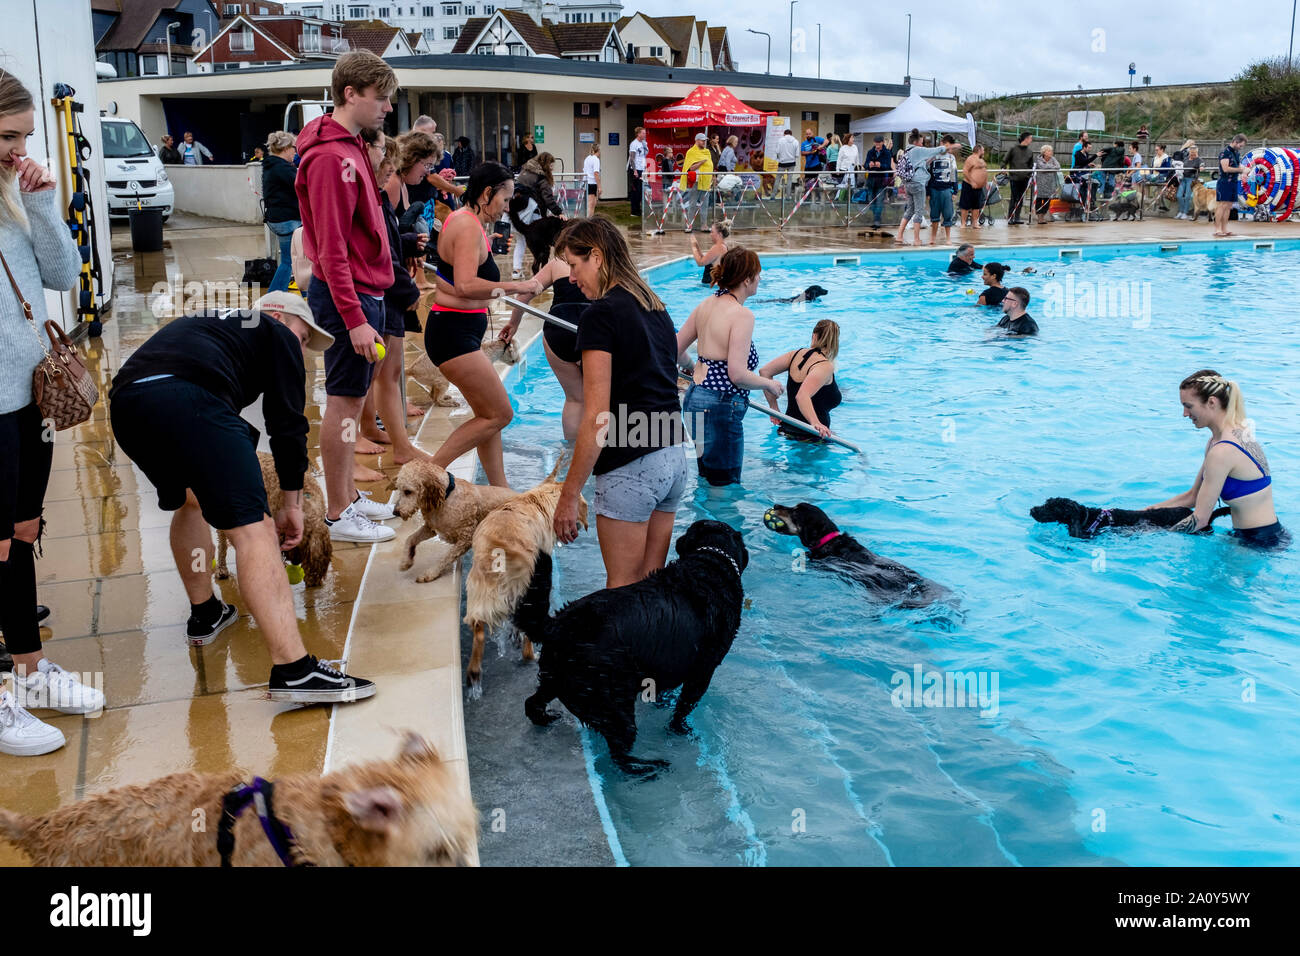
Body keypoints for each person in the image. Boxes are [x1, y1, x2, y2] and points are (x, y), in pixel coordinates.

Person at [109, 293, 376, 704]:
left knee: (190, 501)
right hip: (190, 403)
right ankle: (294, 670)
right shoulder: (277, 333)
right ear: (279, 315)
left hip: (129, 404)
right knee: (255, 531)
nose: (301, 349)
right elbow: (288, 425)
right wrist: (290, 504)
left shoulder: (209, 319)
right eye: (304, 337)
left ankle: (206, 613)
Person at [0, 69, 102, 756]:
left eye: (25, 137)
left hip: (28, 396)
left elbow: (64, 277)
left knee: (23, 530)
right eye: (8, 137)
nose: (19, 149)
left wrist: (39, 202)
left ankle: (30, 673)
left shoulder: (15, 192)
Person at [294, 50, 400, 543]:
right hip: (348, 297)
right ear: (350, 94)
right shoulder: (330, 157)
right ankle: (338, 513)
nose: (386, 109)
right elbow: (332, 249)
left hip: (364, 292)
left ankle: (348, 498)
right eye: (379, 99)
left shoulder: (352, 145)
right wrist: (354, 318)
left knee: (354, 402)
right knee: (342, 403)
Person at [552, 217, 688, 588]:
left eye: (575, 266)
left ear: (596, 257)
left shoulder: (600, 315)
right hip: (673, 457)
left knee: (622, 592)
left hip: (632, 465)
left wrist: (569, 495)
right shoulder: (657, 307)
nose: (572, 279)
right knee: (650, 586)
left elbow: (598, 416)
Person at [428, 162, 540, 486]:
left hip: (457, 329)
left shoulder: (468, 223)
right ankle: (429, 474)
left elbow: (447, 281)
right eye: (505, 200)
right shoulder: (465, 225)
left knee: (488, 415)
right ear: (488, 193)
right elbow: (465, 285)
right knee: (501, 413)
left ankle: (499, 490)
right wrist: (518, 286)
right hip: (452, 334)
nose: (507, 209)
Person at [677, 246, 782, 487]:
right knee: (725, 484)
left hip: (694, 397)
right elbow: (738, 375)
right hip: (721, 405)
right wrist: (770, 384)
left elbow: (673, 349)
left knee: (706, 477)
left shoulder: (705, 304)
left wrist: (694, 368)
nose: (760, 278)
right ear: (746, 279)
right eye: (758, 273)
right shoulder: (742, 315)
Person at [1148, 370, 1287, 548]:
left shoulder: (1223, 451)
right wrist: (1149, 512)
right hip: (1260, 534)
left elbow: (1200, 519)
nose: (1184, 413)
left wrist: (1150, 533)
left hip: (1258, 543)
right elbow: (1193, 497)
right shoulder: (1228, 437)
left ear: (1211, 402)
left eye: (1188, 406)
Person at [368, 129, 430, 466]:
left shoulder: (377, 198)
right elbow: (381, 255)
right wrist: (408, 292)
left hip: (382, 294)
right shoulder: (378, 197)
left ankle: (377, 430)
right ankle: (394, 444)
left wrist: (406, 243)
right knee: (380, 375)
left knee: (379, 375)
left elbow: (388, 243)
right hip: (382, 296)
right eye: (389, 171)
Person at [500, 240, 590, 440]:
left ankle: (571, 452)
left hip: (557, 328)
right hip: (591, 328)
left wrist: (513, 323)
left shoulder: (557, 262)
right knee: (601, 397)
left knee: (575, 399)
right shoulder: (599, 260)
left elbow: (527, 292)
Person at [759, 319, 842, 442]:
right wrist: (815, 423)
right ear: (835, 342)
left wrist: (774, 408)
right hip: (812, 437)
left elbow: (764, 372)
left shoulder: (795, 354)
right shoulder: (825, 366)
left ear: (814, 336)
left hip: (787, 429)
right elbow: (802, 395)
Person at [896, 129, 961, 245]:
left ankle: (899, 235)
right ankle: (916, 239)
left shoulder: (907, 150)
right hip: (918, 184)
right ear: (916, 142)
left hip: (908, 184)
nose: (922, 144)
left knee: (910, 210)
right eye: (921, 142)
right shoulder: (918, 150)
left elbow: (924, 164)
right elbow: (936, 150)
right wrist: (952, 146)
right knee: (919, 211)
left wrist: (954, 190)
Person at [512, 151, 565, 279]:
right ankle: (543, 274)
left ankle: (516, 270)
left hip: (517, 210)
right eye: (551, 165)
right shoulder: (541, 177)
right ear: (546, 164)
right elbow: (548, 199)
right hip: (532, 212)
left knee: (521, 241)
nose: (552, 168)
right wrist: (559, 212)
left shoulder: (525, 171)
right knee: (543, 246)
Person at [262, 130, 300, 293]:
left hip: (278, 219)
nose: (295, 152)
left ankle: (306, 295)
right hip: (287, 220)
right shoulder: (282, 168)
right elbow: (303, 186)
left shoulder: (271, 165)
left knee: (293, 260)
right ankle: (273, 297)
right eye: (294, 148)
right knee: (289, 262)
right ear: (285, 148)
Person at [927, 134, 960, 243]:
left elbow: (954, 175)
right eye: (945, 144)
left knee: (948, 214)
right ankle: (932, 237)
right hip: (934, 189)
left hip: (947, 189)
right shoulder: (933, 156)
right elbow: (928, 174)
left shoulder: (951, 158)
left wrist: (955, 191)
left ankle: (948, 238)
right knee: (934, 215)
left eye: (949, 145)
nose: (946, 147)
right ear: (941, 144)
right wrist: (928, 191)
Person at [1214, 134, 1247, 238]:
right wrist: (1240, 170)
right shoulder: (1225, 153)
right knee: (1222, 205)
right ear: (1236, 142)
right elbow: (1225, 168)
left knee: (1229, 206)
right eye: (1240, 145)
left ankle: (1224, 228)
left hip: (1233, 181)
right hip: (1224, 182)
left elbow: (1237, 165)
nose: (1241, 148)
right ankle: (1217, 229)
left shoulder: (1236, 153)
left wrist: (1245, 169)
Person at [679, 132, 713, 230]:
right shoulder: (691, 152)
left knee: (705, 204)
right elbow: (690, 168)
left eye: (705, 141)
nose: (704, 142)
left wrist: (712, 178)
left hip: (706, 181)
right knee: (693, 203)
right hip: (696, 181)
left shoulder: (707, 152)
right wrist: (701, 162)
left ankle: (704, 225)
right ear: (697, 140)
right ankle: (689, 224)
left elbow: (710, 165)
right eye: (702, 140)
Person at [1005, 131, 1034, 224]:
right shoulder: (1013, 149)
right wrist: (1003, 168)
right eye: (1030, 138)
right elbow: (1005, 160)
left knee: (1021, 198)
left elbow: (1031, 165)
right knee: (1014, 198)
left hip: (1024, 178)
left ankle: (1017, 217)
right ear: (1026, 139)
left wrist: (1029, 175)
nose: (1031, 140)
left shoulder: (1030, 151)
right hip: (1014, 178)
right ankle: (1010, 217)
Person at [863, 134, 892, 225]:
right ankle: (875, 215)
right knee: (871, 199)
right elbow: (865, 164)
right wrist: (869, 165)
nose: (877, 145)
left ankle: (877, 219)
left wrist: (881, 165)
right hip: (871, 180)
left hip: (881, 180)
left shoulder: (887, 152)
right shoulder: (870, 152)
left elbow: (888, 166)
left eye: (879, 143)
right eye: (876, 143)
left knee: (879, 200)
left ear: (883, 142)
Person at [690, 219, 730, 284]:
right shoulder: (723, 246)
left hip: (710, 287)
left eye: (712, 232)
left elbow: (700, 263)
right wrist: (697, 246)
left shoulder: (718, 247)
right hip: (713, 285)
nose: (710, 234)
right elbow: (706, 260)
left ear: (719, 234)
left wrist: (693, 246)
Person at [959, 144, 988, 228]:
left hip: (979, 187)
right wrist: (972, 182)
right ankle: (963, 223)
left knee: (977, 206)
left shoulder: (981, 160)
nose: (984, 152)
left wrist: (985, 182)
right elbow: (965, 171)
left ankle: (975, 223)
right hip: (969, 185)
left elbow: (984, 171)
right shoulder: (971, 159)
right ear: (979, 150)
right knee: (965, 205)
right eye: (983, 150)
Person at [1033, 145, 1061, 223]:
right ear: (1044, 152)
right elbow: (1042, 167)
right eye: (1049, 151)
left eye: (1051, 151)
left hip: (1050, 183)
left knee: (1047, 200)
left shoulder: (1053, 159)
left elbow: (1058, 166)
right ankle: (1039, 217)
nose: (1051, 152)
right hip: (1040, 183)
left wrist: (1048, 167)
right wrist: (1052, 168)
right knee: (1039, 199)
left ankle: (1043, 215)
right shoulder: (1038, 159)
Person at [627, 126, 648, 217]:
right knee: (635, 190)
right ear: (638, 134)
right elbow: (632, 158)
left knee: (640, 190)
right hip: (635, 169)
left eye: (645, 133)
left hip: (642, 168)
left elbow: (644, 156)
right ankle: (634, 210)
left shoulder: (643, 143)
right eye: (643, 133)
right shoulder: (634, 144)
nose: (644, 135)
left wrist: (645, 167)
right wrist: (634, 170)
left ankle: (638, 209)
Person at [800, 126, 826, 201]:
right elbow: (802, 153)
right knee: (807, 182)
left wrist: (821, 146)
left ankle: (817, 197)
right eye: (807, 134)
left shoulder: (817, 139)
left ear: (812, 133)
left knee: (817, 182)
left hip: (817, 165)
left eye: (809, 134)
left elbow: (826, 141)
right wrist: (810, 152)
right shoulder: (804, 143)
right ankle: (807, 197)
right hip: (808, 166)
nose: (808, 135)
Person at [1176, 145, 1202, 220]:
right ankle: (1180, 211)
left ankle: (1185, 212)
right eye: (1191, 152)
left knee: (1187, 196)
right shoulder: (1185, 159)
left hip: (1191, 179)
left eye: (1194, 152)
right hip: (1183, 178)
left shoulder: (1198, 160)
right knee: (1179, 195)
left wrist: (1201, 167)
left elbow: (1202, 164)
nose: (1192, 154)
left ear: (1196, 152)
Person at [773, 127, 800, 198]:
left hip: (782, 163)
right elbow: (797, 155)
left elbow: (777, 151)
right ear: (791, 134)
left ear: (784, 134)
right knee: (789, 180)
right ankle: (788, 196)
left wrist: (780, 157)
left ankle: (773, 196)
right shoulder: (796, 141)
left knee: (777, 179)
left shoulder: (780, 140)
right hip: (791, 163)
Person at [835, 131, 860, 198]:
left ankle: (850, 200)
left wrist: (858, 166)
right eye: (852, 138)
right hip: (844, 170)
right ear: (848, 139)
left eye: (853, 138)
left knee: (852, 187)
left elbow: (857, 158)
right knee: (843, 188)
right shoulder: (843, 148)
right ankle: (840, 200)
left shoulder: (855, 147)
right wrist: (837, 169)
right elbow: (839, 160)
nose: (853, 139)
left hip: (853, 170)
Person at [582, 142, 601, 218]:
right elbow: (596, 173)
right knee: (591, 204)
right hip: (591, 183)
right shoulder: (595, 159)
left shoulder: (587, 158)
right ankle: (588, 221)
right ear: (598, 150)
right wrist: (599, 186)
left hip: (586, 182)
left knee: (591, 204)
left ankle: (588, 220)